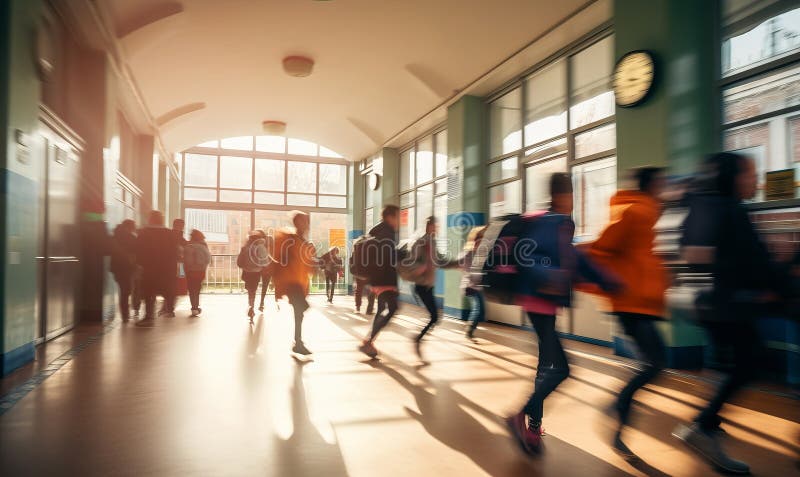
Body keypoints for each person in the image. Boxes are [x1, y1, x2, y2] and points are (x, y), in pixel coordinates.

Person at [673, 152, 787, 475]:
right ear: (733, 178)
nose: (755, 179)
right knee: (752, 362)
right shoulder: (733, 212)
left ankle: (707, 422)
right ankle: (703, 425)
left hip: (712, 305)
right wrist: (778, 279)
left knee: (741, 363)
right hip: (728, 306)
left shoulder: (708, 208)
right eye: (750, 174)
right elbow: (754, 261)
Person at [507, 173, 618, 455]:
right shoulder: (552, 223)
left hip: (542, 302)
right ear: (562, 196)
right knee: (563, 369)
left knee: (546, 366)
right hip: (539, 301)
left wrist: (606, 280)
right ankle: (520, 416)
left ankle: (532, 427)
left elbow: (576, 259)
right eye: (571, 194)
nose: (573, 200)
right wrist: (550, 275)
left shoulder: (556, 223)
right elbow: (526, 255)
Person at [584, 167, 669, 458]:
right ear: (651, 186)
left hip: (642, 304)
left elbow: (641, 258)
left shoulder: (649, 215)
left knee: (655, 362)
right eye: (662, 183)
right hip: (629, 304)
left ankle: (620, 411)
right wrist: (617, 281)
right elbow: (600, 250)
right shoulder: (634, 212)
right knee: (655, 362)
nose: (666, 188)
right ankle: (620, 410)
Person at [412, 216, 459, 359]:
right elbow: (412, 260)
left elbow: (440, 261)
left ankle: (418, 339)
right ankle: (418, 339)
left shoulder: (432, 242)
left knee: (434, 318)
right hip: (422, 285)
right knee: (434, 317)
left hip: (428, 286)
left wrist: (456, 264)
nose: (437, 229)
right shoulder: (421, 242)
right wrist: (420, 267)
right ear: (430, 226)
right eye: (436, 226)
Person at [272, 212, 318, 356]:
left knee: (299, 312)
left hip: (299, 282)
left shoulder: (302, 242)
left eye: (306, 221)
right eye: (304, 221)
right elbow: (280, 258)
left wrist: (313, 265)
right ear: (297, 223)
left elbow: (307, 263)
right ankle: (297, 342)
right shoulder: (289, 240)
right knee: (302, 308)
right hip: (291, 282)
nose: (306, 224)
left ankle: (298, 342)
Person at [358, 205, 401, 358]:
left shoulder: (378, 231)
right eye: (397, 216)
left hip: (377, 279)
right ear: (389, 217)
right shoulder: (387, 233)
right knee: (393, 308)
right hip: (384, 279)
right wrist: (400, 255)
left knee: (382, 308)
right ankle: (368, 341)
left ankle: (368, 340)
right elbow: (387, 258)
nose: (399, 220)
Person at [136, 211, 180, 324]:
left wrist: (140, 265)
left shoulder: (144, 232)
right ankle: (169, 309)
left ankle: (149, 316)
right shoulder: (169, 234)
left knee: (149, 292)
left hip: (149, 269)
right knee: (167, 290)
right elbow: (175, 252)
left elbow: (139, 251)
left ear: (150, 219)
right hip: (166, 269)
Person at [461, 226, 487, 340]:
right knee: (478, 309)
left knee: (481, 311)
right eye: (480, 237)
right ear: (475, 239)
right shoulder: (468, 253)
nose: (482, 240)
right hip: (470, 286)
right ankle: (469, 330)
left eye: (483, 237)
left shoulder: (481, 252)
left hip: (478, 287)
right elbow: (466, 269)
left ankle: (470, 328)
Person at [110, 219, 138, 320]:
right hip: (128, 267)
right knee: (127, 290)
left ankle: (125, 314)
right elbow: (136, 250)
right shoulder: (131, 237)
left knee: (124, 290)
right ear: (129, 227)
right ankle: (125, 314)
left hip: (118, 267)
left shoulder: (115, 236)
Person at [238, 231, 267, 321]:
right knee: (253, 290)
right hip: (256, 272)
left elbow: (239, 262)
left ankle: (251, 304)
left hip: (247, 272)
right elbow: (264, 261)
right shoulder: (260, 248)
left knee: (250, 290)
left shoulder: (245, 248)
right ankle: (252, 306)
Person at [162, 218, 187, 316]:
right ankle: (169, 308)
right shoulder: (175, 235)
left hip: (174, 264)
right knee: (174, 284)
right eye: (181, 225)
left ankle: (168, 307)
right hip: (176, 264)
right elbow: (182, 246)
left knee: (173, 284)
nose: (182, 228)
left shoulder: (172, 234)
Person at [184, 229, 211, 317]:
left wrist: (182, 272)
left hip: (190, 272)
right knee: (197, 289)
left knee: (191, 290)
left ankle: (194, 307)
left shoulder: (188, 247)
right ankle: (196, 307)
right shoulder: (203, 247)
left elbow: (184, 261)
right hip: (200, 271)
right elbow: (208, 259)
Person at [257, 231, 275, 312]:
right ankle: (261, 303)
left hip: (261, 268)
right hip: (267, 269)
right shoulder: (270, 243)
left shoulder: (261, 245)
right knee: (265, 286)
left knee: (262, 286)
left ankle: (260, 303)